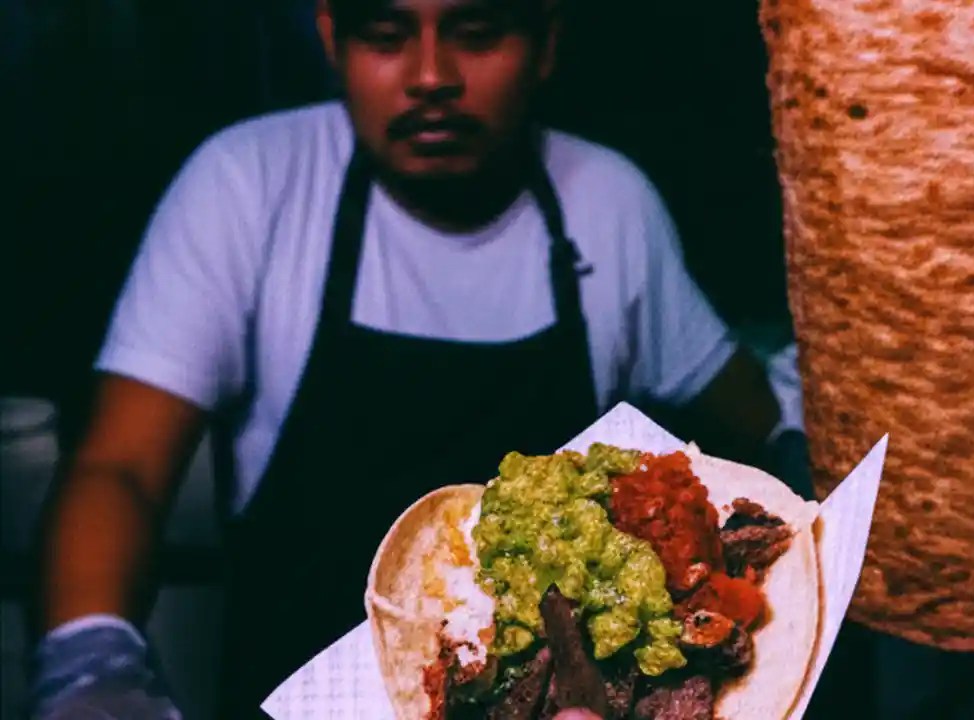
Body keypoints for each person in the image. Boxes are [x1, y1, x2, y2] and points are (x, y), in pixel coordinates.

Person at [29, 0, 804, 717]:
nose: (432, 77)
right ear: (332, 37)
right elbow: (120, 466)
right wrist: (90, 658)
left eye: (478, 33)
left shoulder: (606, 204)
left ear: (544, 44)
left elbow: (752, 413)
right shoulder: (249, 187)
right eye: (385, 34)